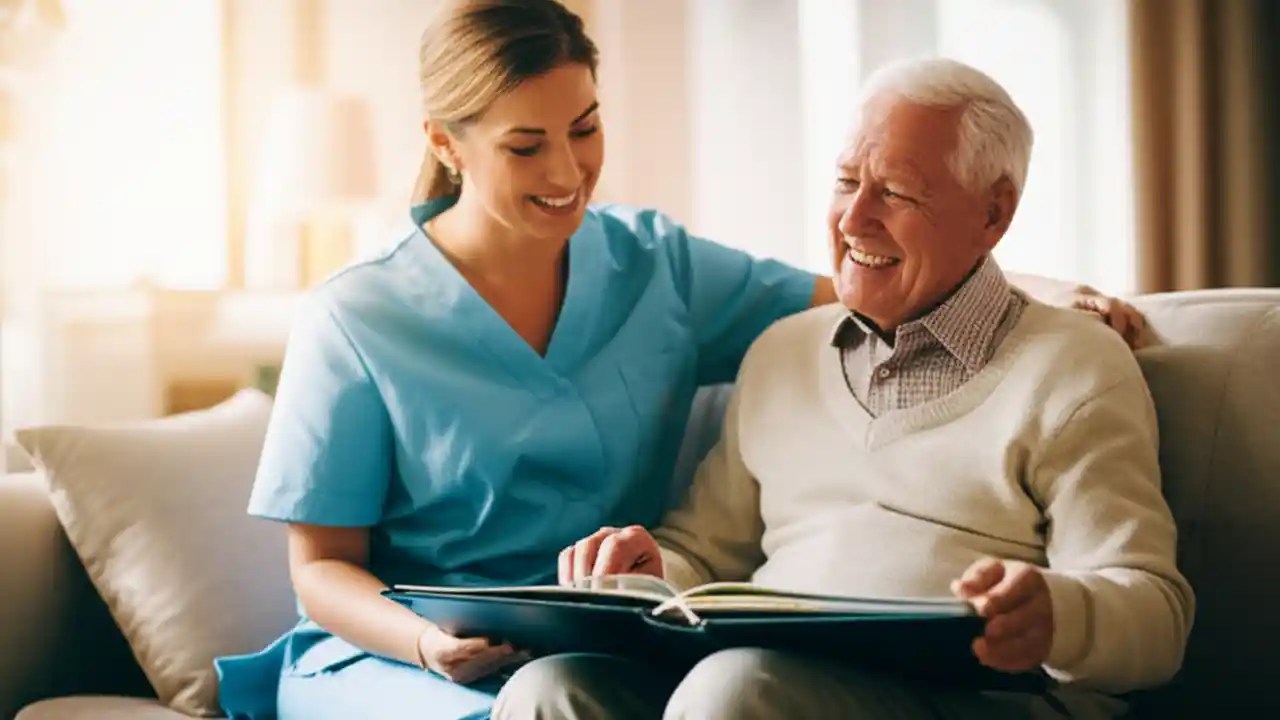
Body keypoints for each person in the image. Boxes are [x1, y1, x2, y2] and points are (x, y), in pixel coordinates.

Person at [213, 3, 1149, 719]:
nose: (568, 173)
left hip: (607, 632)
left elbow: (864, 282)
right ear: (445, 145)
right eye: (526, 145)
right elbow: (322, 568)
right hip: (413, 649)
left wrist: (1046, 289)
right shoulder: (356, 313)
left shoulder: (652, 264)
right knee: (530, 703)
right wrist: (427, 643)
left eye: (584, 127)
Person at [542, 58, 1194, 720]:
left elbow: (1156, 614)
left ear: (994, 214)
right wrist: (654, 569)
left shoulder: (1074, 366)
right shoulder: (782, 353)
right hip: (766, 683)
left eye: (897, 193)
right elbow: (703, 553)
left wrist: (1060, 613)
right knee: (555, 687)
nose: (854, 220)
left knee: (737, 689)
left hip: (978, 698)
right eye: (847, 182)